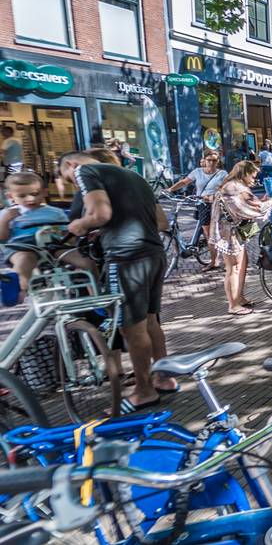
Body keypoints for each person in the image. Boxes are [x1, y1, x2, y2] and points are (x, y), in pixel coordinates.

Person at [59, 151, 173, 413]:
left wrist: (80, 225)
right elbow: (161, 222)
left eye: (67, 177)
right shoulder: (134, 176)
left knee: (131, 329)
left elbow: (100, 213)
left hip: (125, 258)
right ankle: (164, 377)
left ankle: (143, 391)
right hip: (154, 254)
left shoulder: (86, 172)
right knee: (151, 321)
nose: (74, 184)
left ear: (71, 165)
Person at [213, 161, 272, 315]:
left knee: (242, 263)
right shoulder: (234, 187)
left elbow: (248, 204)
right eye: (252, 176)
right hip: (228, 233)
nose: (253, 180)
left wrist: (262, 202)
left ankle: (239, 298)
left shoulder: (233, 186)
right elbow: (246, 209)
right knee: (233, 267)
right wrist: (270, 202)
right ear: (244, 173)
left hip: (231, 231)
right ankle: (233, 305)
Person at [0, 172, 69, 299]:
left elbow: (67, 233)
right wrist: (5, 221)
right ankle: (16, 291)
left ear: (44, 192)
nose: (30, 199)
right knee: (24, 261)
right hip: (22, 246)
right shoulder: (6, 213)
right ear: (10, 196)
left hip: (53, 245)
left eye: (35, 194)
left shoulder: (55, 212)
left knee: (84, 259)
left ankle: (97, 290)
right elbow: (2, 238)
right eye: (22, 196)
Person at [166, 151, 227, 271]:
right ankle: (210, 255)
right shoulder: (197, 172)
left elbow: (226, 189)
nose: (211, 163)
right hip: (201, 205)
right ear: (204, 159)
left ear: (218, 161)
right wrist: (170, 189)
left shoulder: (222, 174)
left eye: (214, 160)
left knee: (212, 235)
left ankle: (216, 262)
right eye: (209, 160)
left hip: (215, 206)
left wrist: (214, 196)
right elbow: (185, 182)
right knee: (207, 232)